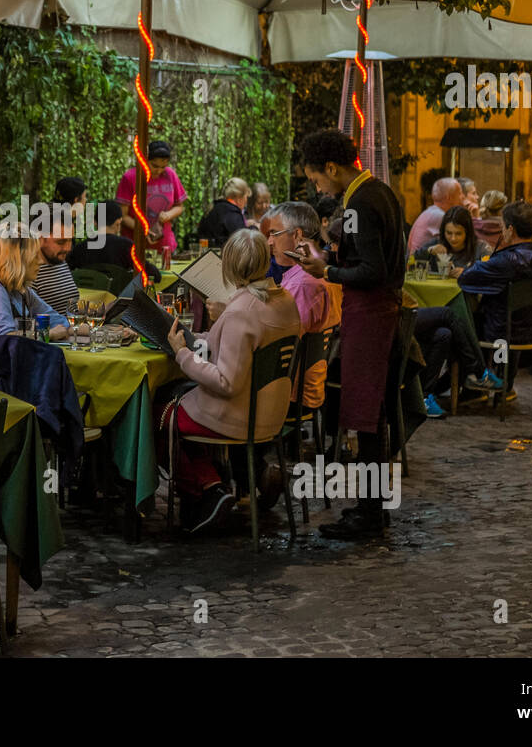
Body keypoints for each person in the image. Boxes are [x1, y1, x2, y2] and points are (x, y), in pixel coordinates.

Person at [294, 130, 405, 540]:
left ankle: (370, 516)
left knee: (367, 419)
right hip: (380, 313)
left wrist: (329, 272)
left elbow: (372, 270)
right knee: (371, 418)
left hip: (371, 316)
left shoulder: (360, 201)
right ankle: (371, 510)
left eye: (317, 180)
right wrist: (328, 257)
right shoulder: (381, 192)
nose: (318, 187)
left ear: (332, 168)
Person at [163, 229, 300, 534]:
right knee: (177, 402)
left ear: (229, 268)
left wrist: (182, 355)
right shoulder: (284, 299)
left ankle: (205, 493)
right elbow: (230, 347)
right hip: (273, 412)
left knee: (161, 416)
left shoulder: (241, 311)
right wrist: (192, 340)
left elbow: (226, 382)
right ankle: (213, 483)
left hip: (241, 415)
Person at [0, 225, 69, 369]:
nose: (40, 262)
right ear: (18, 259)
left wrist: (83, 329)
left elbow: (56, 320)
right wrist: (48, 334)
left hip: (7, 371)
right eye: (35, 255)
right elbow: (6, 340)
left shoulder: (20, 291)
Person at [264, 203, 341, 412]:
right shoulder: (326, 272)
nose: (269, 241)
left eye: (273, 233)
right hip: (310, 388)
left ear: (297, 235)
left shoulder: (303, 284)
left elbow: (274, 341)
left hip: (288, 394)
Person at [458, 201, 532, 347]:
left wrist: (477, 264)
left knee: (456, 320)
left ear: (510, 230)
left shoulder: (506, 261)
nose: (502, 230)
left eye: (502, 226)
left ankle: (476, 368)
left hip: (500, 336)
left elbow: (465, 278)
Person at [115, 140, 187, 267]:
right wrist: (143, 229)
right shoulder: (130, 177)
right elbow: (123, 216)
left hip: (165, 245)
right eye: (154, 166)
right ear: (145, 160)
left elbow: (179, 206)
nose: (159, 171)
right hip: (135, 245)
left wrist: (168, 215)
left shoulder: (170, 175)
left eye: (163, 167)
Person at [412, 206, 492, 272]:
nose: (453, 238)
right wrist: (428, 251)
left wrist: (467, 273)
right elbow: (409, 263)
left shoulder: (481, 248)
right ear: (443, 231)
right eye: (449, 233)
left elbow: (492, 273)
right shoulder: (436, 244)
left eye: (458, 234)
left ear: (467, 232)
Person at [31, 216, 80, 314]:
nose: (68, 248)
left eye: (70, 240)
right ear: (40, 239)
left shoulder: (60, 261)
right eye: (60, 242)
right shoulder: (30, 270)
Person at [407, 177, 465, 254]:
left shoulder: (430, 212)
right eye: (460, 193)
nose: (463, 197)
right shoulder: (439, 216)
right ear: (449, 198)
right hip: (420, 263)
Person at [195, 177, 251, 247]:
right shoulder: (232, 213)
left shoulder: (216, 207)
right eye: (246, 197)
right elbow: (243, 241)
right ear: (239, 197)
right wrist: (253, 228)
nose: (246, 201)